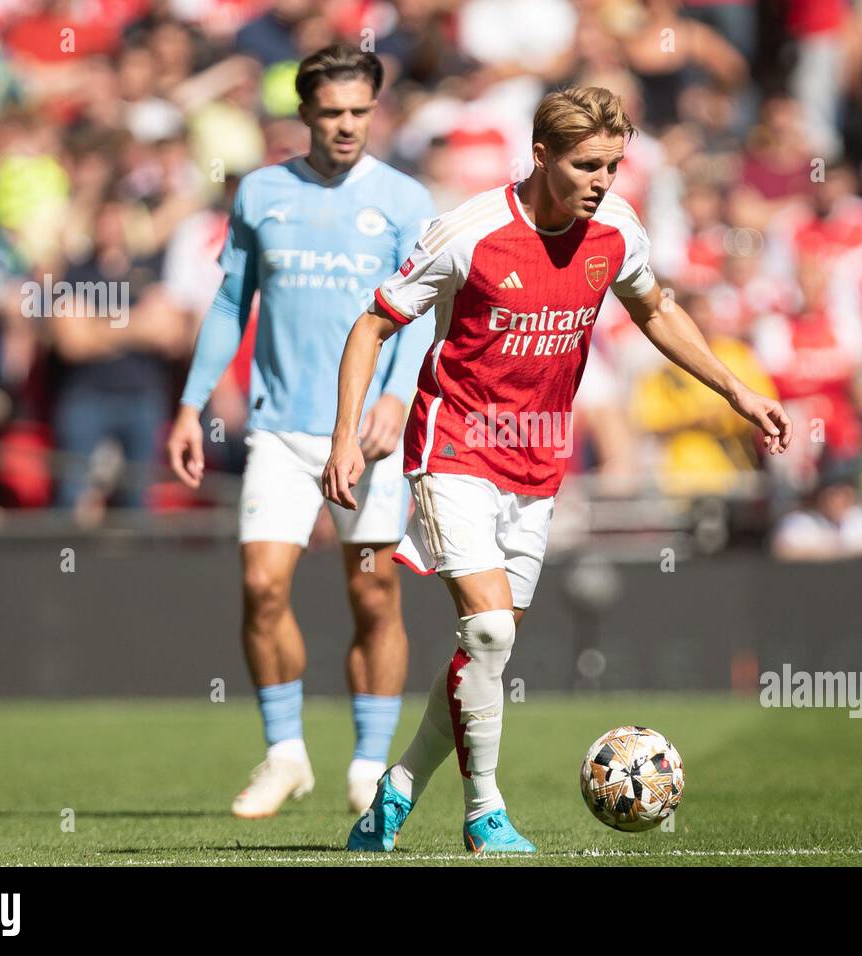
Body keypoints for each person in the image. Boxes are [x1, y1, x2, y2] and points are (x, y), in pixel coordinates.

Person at [322, 86, 791, 853]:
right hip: (455, 448)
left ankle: (398, 786)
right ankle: (485, 813)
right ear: (541, 155)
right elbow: (374, 323)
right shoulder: (469, 233)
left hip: (539, 465)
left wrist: (736, 388)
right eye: (586, 165)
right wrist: (347, 435)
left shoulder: (616, 229)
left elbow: (655, 308)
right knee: (488, 631)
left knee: (488, 645)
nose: (602, 180)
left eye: (613, 164)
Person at [167, 44, 436, 818]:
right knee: (260, 586)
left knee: (374, 595)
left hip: (369, 432)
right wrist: (190, 403)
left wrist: (397, 399)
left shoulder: (404, 200)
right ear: (304, 113)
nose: (347, 126)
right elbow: (229, 304)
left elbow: (416, 317)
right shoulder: (261, 193)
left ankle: (367, 763)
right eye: (331, 112)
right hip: (280, 427)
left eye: (359, 111)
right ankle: (285, 753)